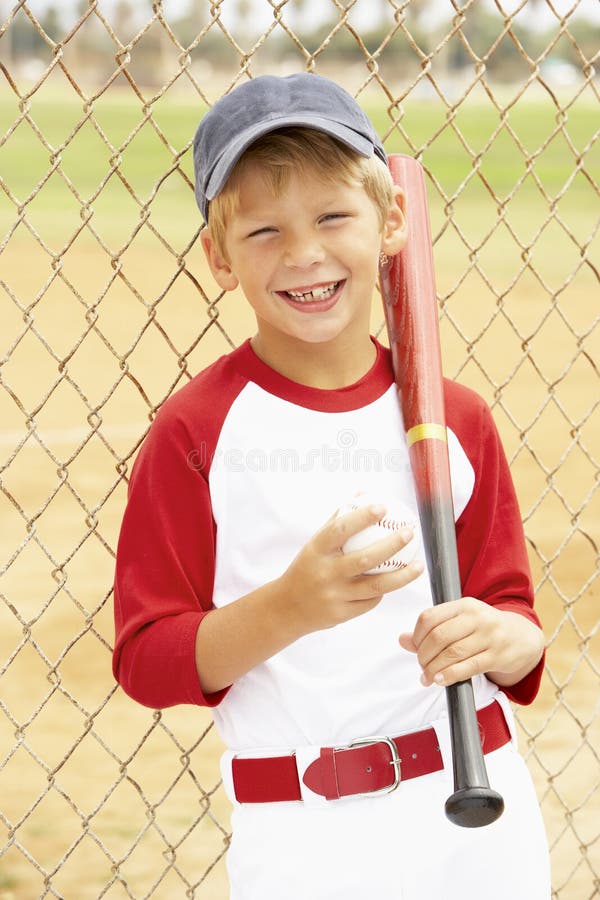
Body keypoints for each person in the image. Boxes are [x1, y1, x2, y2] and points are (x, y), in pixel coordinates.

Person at [113, 73, 550, 899]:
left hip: (479, 806)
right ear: (217, 255)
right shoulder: (197, 432)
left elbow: (516, 619)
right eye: (265, 230)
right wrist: (289, 608)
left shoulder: (455, 418)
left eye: (333, 216)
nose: (304, 253)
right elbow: (146, 658)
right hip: (304, 832)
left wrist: (502, 638)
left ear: (392, 222)